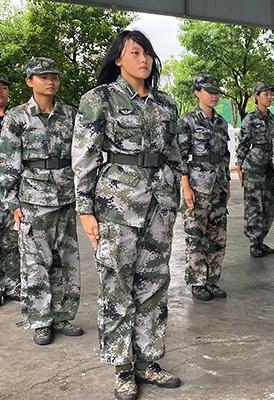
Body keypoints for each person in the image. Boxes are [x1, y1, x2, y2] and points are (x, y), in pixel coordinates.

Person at [73, 30, 182, 400]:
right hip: (117, 204)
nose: (144, 59)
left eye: (147, 53)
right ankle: (122, 367)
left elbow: (175, 153)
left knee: (154, 283)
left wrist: (176, 196)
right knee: (116, 284)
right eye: (135, 53)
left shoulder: (166, 105)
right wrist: (85, 209)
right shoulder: (98, 100)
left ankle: (148, 360)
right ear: (118, 59)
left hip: (158, 204)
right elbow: (85, 159)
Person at [0, 58, 82, 346]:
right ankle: (40, 320)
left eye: (54, 76)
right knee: (35, 262)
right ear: (29, 81)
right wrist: (12, 202)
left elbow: (81, 158)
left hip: (66, 197)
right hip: (33, 200)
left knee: (66, 260)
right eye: (43, 76)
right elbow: (8, 163)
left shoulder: (70, 115)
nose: (50, 81)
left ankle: (62, 315)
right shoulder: (17, 118)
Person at [178, 75, 231, 301]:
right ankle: (198, 281)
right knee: (196, 235)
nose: (214, 95)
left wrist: (227, 182)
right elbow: (179, 156)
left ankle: (212, 280)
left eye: (216, 91)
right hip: (198, 186)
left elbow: (225, 155)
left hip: (218, 184)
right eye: (209, 91)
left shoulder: (221, 122)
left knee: (217, 236)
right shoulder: (188, 121)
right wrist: (185, 186)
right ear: (197, 92)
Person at [236, 82, 274, 258]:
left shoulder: (273, 119)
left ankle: (261, 239)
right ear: (257, 96)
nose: (269, 97)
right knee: (254, 205)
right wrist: (239, 165)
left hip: (270, 168)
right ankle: (254, 242)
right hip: (254, 167)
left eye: (270, 94)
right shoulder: (250, 119)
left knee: (269, 205)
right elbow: (243, 143)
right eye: (265, 94)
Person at [0, 74, 20, 306]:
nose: (1, 91)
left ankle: (13, 284)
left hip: (10, 188)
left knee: (12, 239)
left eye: (5, 88)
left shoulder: (15, 119)